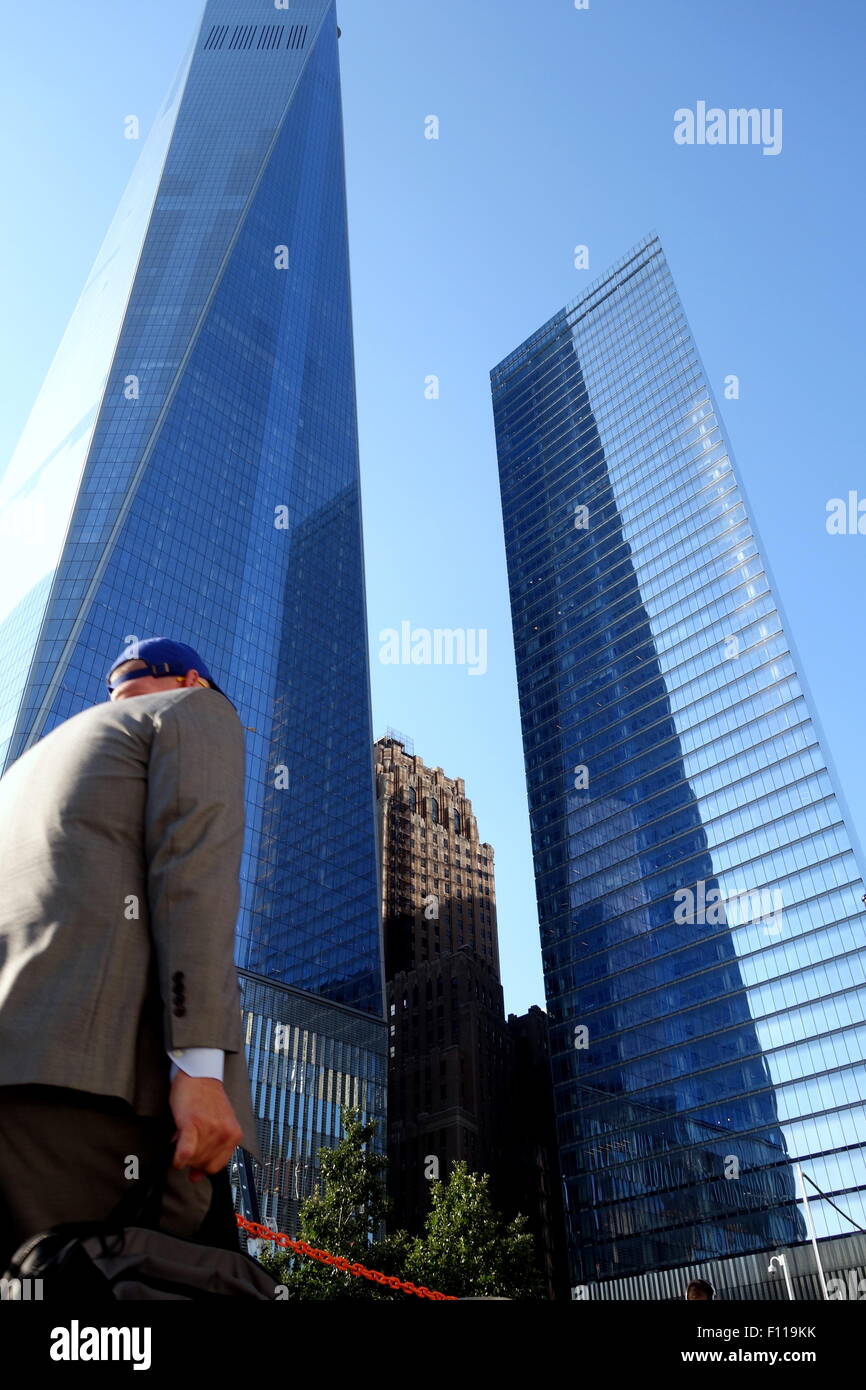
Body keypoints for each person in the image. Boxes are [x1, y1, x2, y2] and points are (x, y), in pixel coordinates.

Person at [0, 637, 260, 1270]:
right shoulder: (195, 713)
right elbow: (193, 874)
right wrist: (199, 1067)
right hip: (110, 1097)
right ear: (195, 682)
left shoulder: (29, 767)